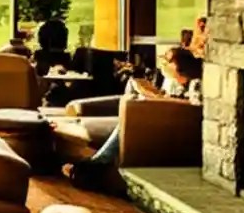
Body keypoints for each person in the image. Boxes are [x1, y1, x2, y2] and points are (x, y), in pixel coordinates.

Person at [61, 46, 202, 188]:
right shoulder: (174, 83)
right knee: (127, 120)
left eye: (168, 60)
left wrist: (157, 99)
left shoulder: (195, 83)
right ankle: (91, 168)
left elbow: (192, 107)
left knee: (129, 123)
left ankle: (89, 169)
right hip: (163, 119)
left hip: (175, 127)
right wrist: (155, 95)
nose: (164, 63)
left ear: (179, 65)